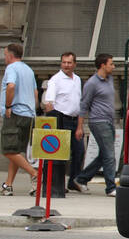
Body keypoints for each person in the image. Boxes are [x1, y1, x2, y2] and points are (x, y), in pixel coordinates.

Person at [71, 53, 117, 197]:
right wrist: (80, 127)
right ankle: (110, 187)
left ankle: (81, 179)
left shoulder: (109, 79)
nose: (113, 66)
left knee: (104, 154)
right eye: (111, 64)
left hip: (109, 121)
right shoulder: (92, 83)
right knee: (110, 155)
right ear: (103, 65)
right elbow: (83, 105)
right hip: (98, 121)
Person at [41, 51, 84, 198]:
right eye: (64, 62)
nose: (66, 65)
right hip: (61, 119)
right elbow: (49, 103)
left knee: (79, 151)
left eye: (69, 62)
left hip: (74, 119)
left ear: (74, 64)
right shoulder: (55, 80)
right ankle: (57, 184)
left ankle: (73, 181)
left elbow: (80, 104)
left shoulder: (77, 79)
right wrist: (55, 123)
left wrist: (80, 126)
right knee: (61, 154)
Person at [2, 42, 40, 196]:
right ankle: (8, 185)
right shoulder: (28, 69)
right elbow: (35, 93)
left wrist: (8, 105)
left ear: (10, 55)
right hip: (29, 114)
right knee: (16, 151)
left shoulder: (12, 68)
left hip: (15, 112)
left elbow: (11, 86)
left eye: (5, 55)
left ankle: (35, 174)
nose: (4, 58)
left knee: (8, 150)